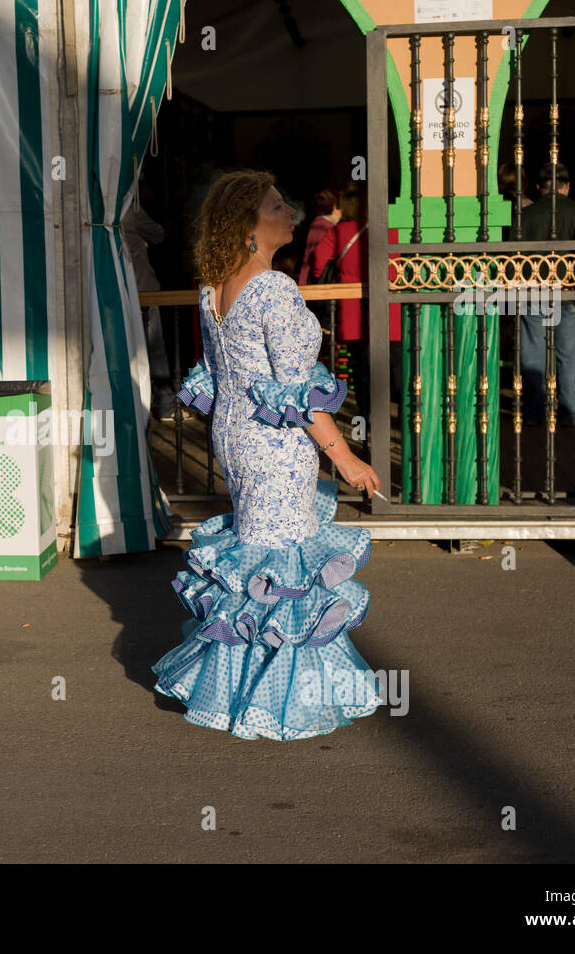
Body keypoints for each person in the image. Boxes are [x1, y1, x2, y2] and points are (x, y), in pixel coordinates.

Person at [152, 169, 383, 741]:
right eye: (277, 207)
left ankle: (241, 689)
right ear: (247, 226)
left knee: (258, 562)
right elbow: (299, 394)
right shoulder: (273, 289)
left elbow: (226, 380)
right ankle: (272, 703)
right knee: (279, 572)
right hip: (274, 452)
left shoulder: (214, 288)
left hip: (234, 443)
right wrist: (345, 458)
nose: (291, 214)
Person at [310, 181, 403, 419]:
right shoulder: (394, 227)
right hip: (390, 306)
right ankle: (405, 417)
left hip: (352, 310)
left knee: (362, 366)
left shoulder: (340, 231)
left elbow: (318, 264)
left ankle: (368, 416)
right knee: (397, 363)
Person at [518, 162, 575, 428]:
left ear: (538, 187)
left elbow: (514, 256)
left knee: (533, 352)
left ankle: (534, 411)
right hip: (565, 289)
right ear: (567, 186)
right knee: (566, 354)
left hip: (532, 289)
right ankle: (568, 411)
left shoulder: (528, 214)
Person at [122, 194, 175, 419]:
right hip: (142, 288)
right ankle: (165, 405)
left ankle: (132, 404)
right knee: (154, 349)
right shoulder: (128, 210)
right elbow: (158, 234)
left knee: (127, 347)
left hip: (118, 288)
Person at [298, 187, 341, 285]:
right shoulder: (328, 227)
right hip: (320, 282)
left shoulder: (317, 224)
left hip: (309, 279)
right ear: (335, 207)